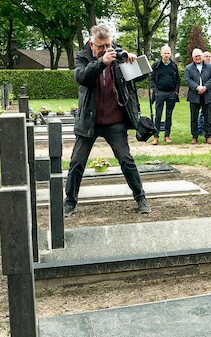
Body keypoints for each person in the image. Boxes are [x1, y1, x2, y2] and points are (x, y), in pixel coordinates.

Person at [63, 25, 150, 215]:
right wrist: (102, 62)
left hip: (114, 120)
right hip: (89, 120)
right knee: (77, 162)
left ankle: (141, 198)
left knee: (126, 160)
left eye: (108, 45)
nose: (106, 49)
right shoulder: (82, 57)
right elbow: (82, 77)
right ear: (91, 43)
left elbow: (139, 77)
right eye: (101, 46)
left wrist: (133, 62)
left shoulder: (118, 54)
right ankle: (69, 202)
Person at [186, 47, 211, 143]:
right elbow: (188, 80)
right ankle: (194, 137)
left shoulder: (209, 67)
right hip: (194, 95)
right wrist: (197, 87)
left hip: (207, 95)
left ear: (202, 56)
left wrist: (205, 87)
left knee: (207, 117)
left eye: (199, 56)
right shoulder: (188, 68)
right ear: (193, 57)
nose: (198, 58)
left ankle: (208, 136)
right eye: (196, 56)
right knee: (194, 117)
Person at [150, 45, 179, 145]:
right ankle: (156, 136)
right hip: (160, 93)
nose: (166, 55)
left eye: (168, 53)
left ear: (170, 54)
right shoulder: (156, 65)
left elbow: (178, 80)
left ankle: (167, 135)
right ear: (161, 54)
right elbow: (151, 78)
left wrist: (176, 91)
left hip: (171, 93)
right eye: (165, 53)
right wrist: (156, 91)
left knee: (169, 115)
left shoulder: (174, 66)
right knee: (158, 115)